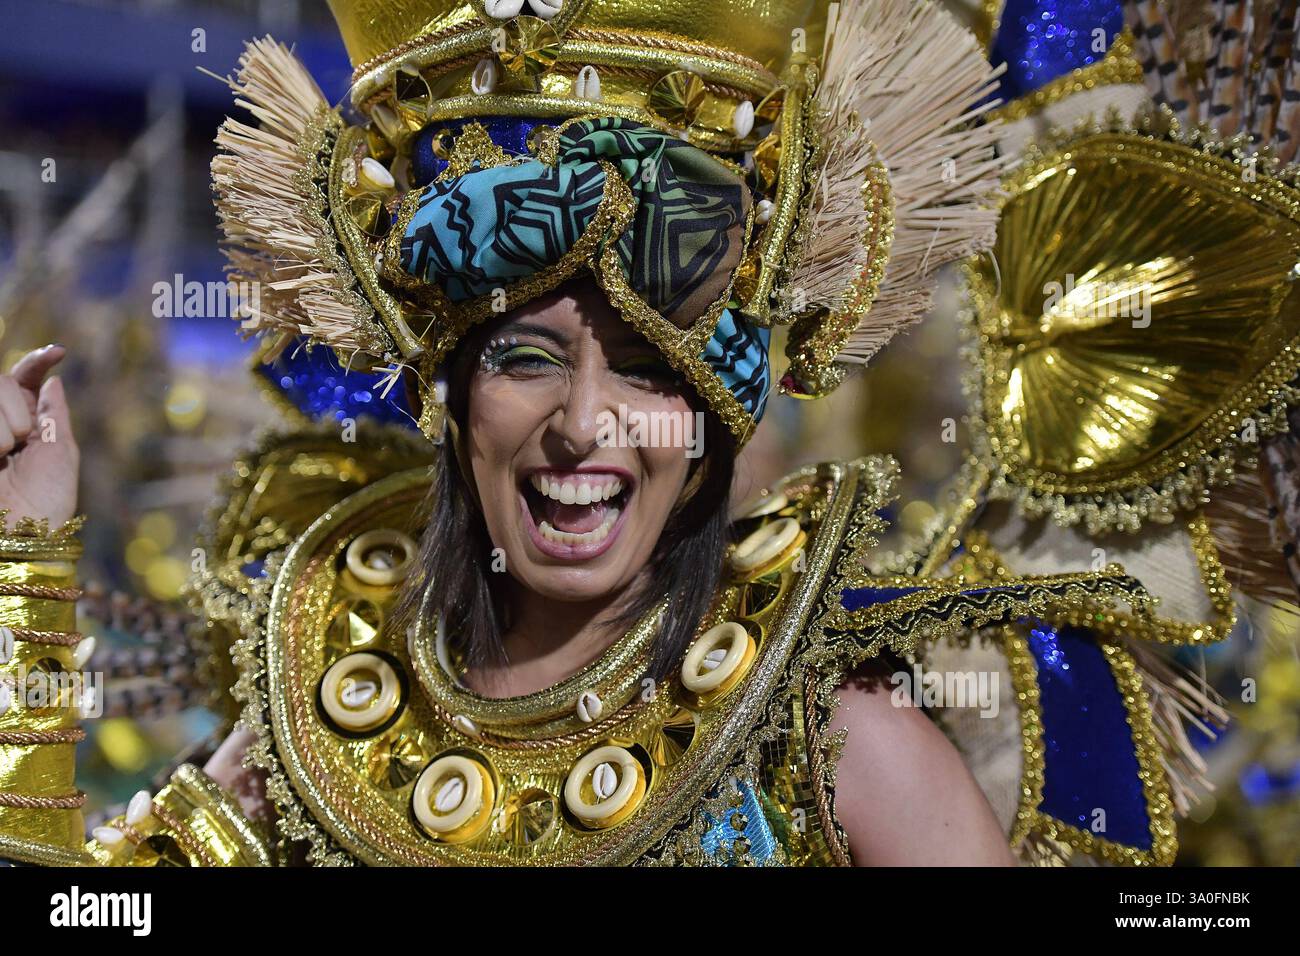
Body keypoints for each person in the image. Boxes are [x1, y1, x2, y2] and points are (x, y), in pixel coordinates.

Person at [0, 0, 1217, 867]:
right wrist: (28, 560)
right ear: (450, 395)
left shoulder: (838, 744)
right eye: (526, 357)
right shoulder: (319, 718)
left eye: (646, 368)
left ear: (708, 418)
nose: (586, 424)